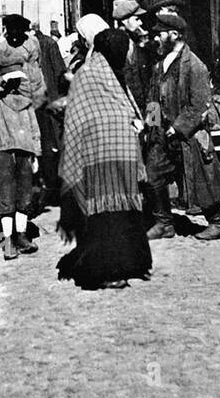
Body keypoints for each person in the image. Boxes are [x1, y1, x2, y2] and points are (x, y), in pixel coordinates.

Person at [56, 27, 151, 289]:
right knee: (103, 217)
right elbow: (78, 117)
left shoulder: (112, 74)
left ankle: (127, 264)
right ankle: (105, 271)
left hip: (119, 157)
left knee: (121, 215)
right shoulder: (87, 76)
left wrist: (134, 123)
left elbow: (125, 108)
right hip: (95, 160)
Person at [144, 14, 220, 240]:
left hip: (188, 135)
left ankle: (218, 223)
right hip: (162, 133)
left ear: (174, 35)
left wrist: (178, 126)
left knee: (202, 178)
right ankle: (164, 223)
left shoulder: (195, 66)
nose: (156, 38)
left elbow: (200, 104)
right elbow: (152, 98)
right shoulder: (160, 65)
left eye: (160, 34)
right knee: (154, 174)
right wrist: (153, 127)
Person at [0, 14, 47, 259]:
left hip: (23, 144)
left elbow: (33, 122)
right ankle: (8, 238)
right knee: (6, 191)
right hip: (4, 144)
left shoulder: (27, 101)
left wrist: (36, 150)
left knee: (25, 190)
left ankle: (21, 234)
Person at [32, 22, 67, 204]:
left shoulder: (36, 44)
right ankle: (54, 187)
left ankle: (51, 186)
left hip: (41, 102)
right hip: (49, 101)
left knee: (47, 145)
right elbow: (61, 71)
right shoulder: (48, 43)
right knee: (53, 145)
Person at [112, 0, 151, 115]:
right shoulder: (117, 46)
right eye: (137, 19)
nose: (141, 23)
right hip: (129, 110)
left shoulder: (135, 42)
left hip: (144, 107)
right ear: (124, 21)